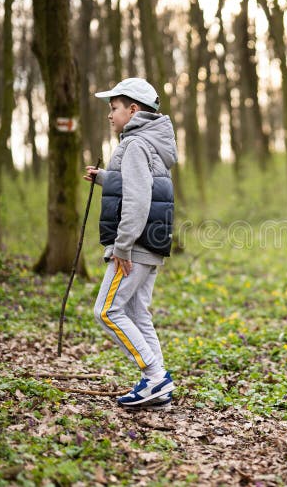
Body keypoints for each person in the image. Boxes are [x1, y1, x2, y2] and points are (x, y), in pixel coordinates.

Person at [85, 77, 177, 409]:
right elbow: (139, 186)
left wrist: (122, 246)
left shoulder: (136, 144)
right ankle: (159, 386)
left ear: (134, 110)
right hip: (149, 245)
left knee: (106, 310)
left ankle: (155, 377)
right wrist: (105, 178)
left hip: (134, 245)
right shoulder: (150, 144)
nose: (110, 115)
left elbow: (138, 201)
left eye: (114, 109)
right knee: (138, 313)